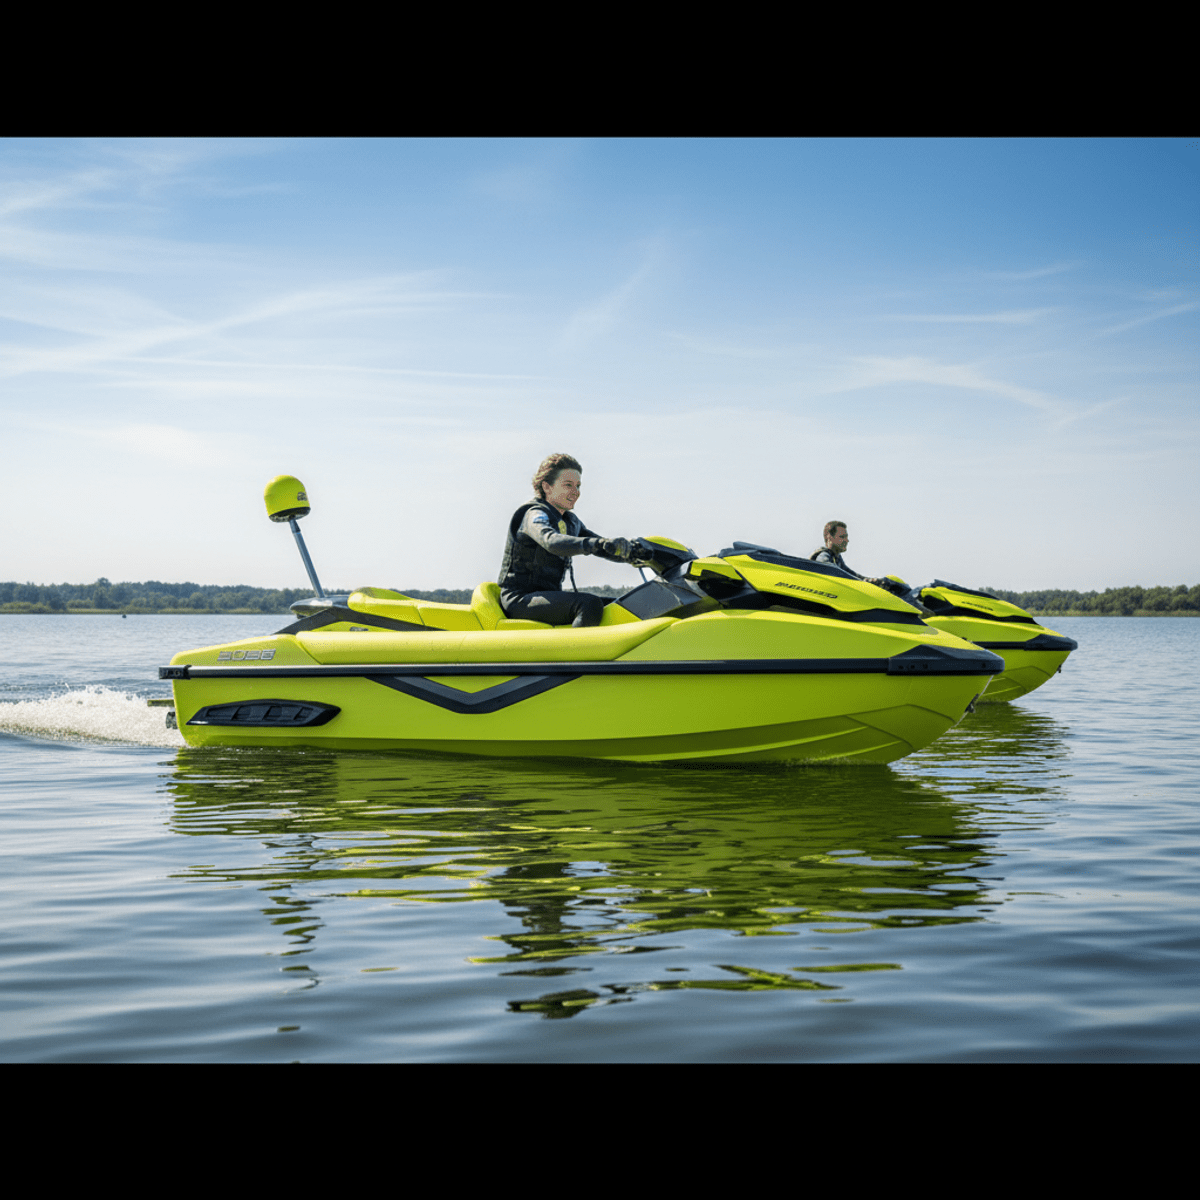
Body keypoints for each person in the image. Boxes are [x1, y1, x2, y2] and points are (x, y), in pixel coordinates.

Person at [498, 453, 633, 627]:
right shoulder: (533, 514)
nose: (575, 492)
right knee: (589, 603)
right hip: (519, 599)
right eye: (568, 485)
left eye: (578, 486)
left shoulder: (571, 521)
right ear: (547, 487)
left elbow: (602, 546)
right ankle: (579, 653)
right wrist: (596, 545)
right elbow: (551, 541)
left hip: (547, 596)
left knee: (623, 605)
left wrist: (634, 553)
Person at [810, 520, 885, 586]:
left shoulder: (837, 558)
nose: (846, 540)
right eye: (842, 537)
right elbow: (827, 568)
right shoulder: (824, 555)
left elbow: (850, 574)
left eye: (846, 537)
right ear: (830, 537)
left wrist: (872, 581)